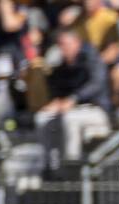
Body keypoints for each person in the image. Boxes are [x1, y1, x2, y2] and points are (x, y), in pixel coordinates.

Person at [35, 29, 112, 163]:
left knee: (70, 118)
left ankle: (72, 166)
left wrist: (73, 98)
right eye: (61, 45)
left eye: (66, 44)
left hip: (96, 110)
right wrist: (56, 102)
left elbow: (96, 84)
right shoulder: (62, 66)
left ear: (77, 43)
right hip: (71, 110)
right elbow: (59, 92)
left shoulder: (91, 58)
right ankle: (48, 165)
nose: (63, 48)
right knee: (41, 118)